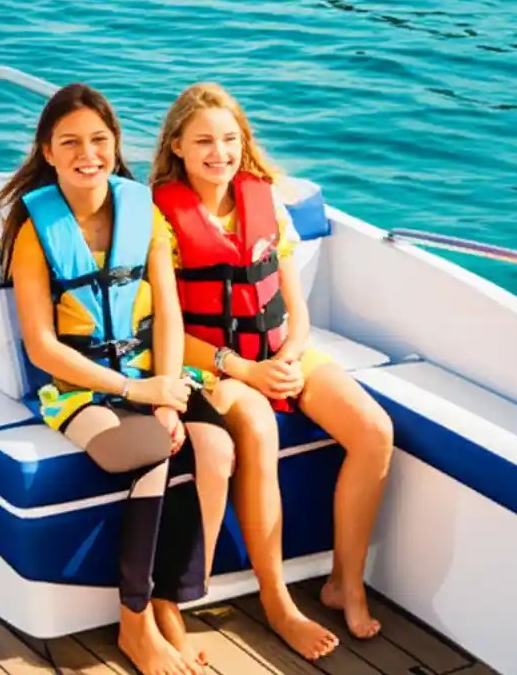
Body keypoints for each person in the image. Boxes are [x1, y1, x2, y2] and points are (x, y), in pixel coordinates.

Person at [0, 83, 235, 675]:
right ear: (47, 152)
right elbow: (41, 346)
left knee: (218, 445)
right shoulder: (33, 230)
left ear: (115, 145)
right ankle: (135, 622)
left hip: (153, 378)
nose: (87, 153)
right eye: (69, 142)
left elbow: (168, 313)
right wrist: (137, 394)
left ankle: (172, 599)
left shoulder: (138, 209)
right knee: (151, 449)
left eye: (99, 140)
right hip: (78, 388)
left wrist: (169, 393)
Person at [149, 82, 395, 648]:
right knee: (258, 430)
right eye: (204, 140)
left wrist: (288, 355)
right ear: (177, 147)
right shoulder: (161, 219)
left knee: (374, 431)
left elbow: (294, 304)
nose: (219, 152)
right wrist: (245, 369)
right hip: (210, 363)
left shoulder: (265, 202)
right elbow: (164, 326)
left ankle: (345, 584)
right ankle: (277, 601)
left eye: (230, 139)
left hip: (282, 351)